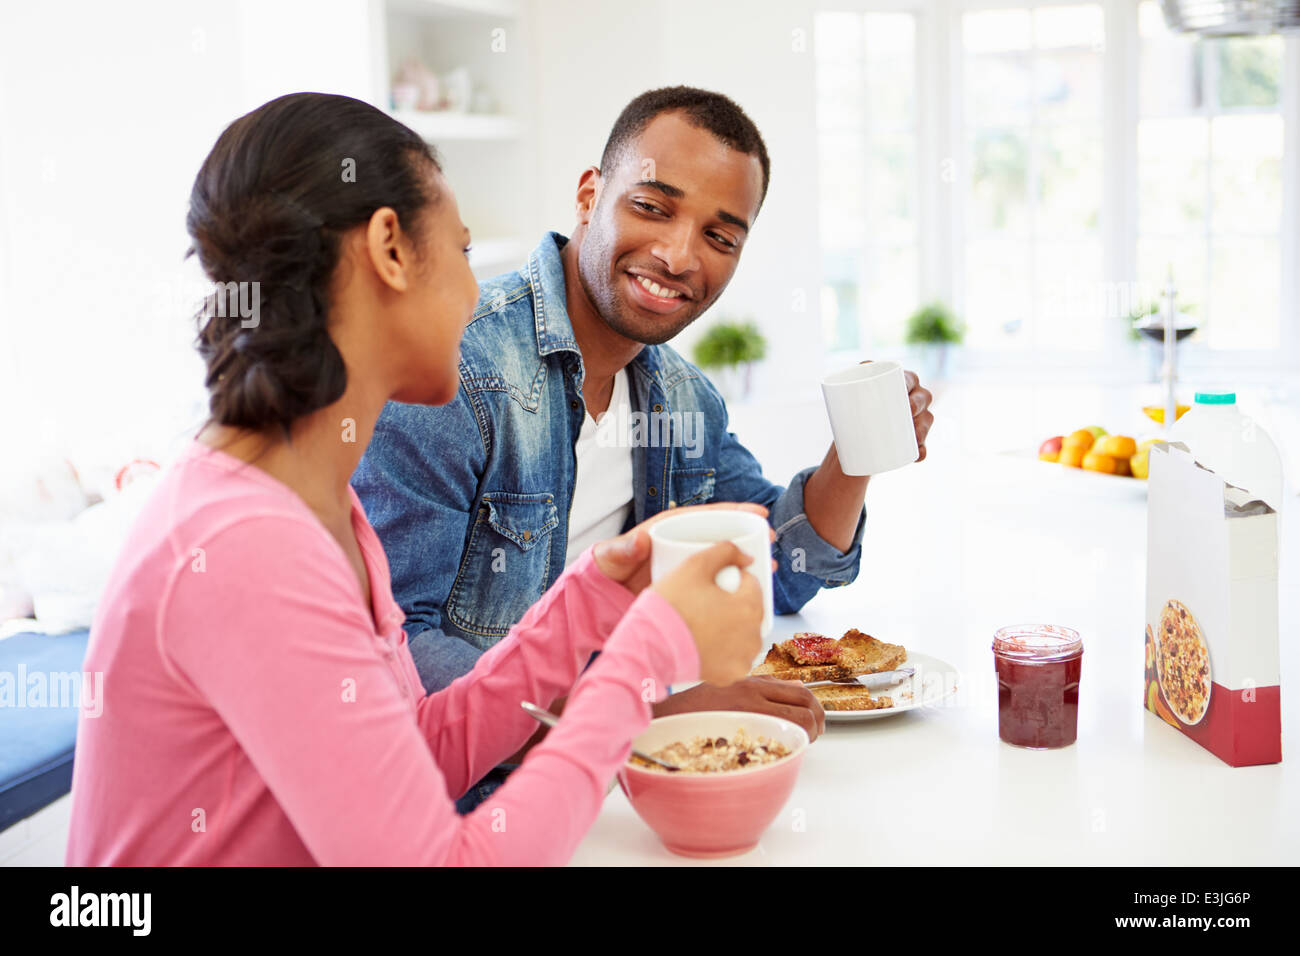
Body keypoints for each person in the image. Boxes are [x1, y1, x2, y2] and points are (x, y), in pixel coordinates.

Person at [64, 92, 767, 866]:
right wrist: (649, 658)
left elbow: (414, 750)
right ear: (390, 249)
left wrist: (595, 597)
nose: (477, 293)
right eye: (462, 254)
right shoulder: (246, 546)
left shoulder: (318, 507)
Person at [353, 86, 934, 806]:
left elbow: (781, 568)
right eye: (653, 207)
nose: (678, 254)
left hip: (613, 789)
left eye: (720, 237)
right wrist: (635, 721)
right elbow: (401, 653)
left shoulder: (682, 400)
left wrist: (855, 460)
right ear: (590, 195)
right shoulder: (454, 371)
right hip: (477, 800)